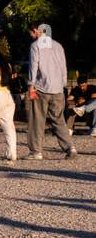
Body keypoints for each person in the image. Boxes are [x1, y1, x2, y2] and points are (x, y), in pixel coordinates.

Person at [25, 22, 77, 159]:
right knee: (59, 120)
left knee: (37, 120)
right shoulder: (58, 45)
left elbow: (33, 67)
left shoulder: (35, 46)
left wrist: (31, 86)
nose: (31, 35)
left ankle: (36, 152)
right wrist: (63, 84)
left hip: (42, 87)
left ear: (36, 30)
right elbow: (63, 66)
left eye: (31, 32)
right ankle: (70, 148)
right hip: (58, 88)